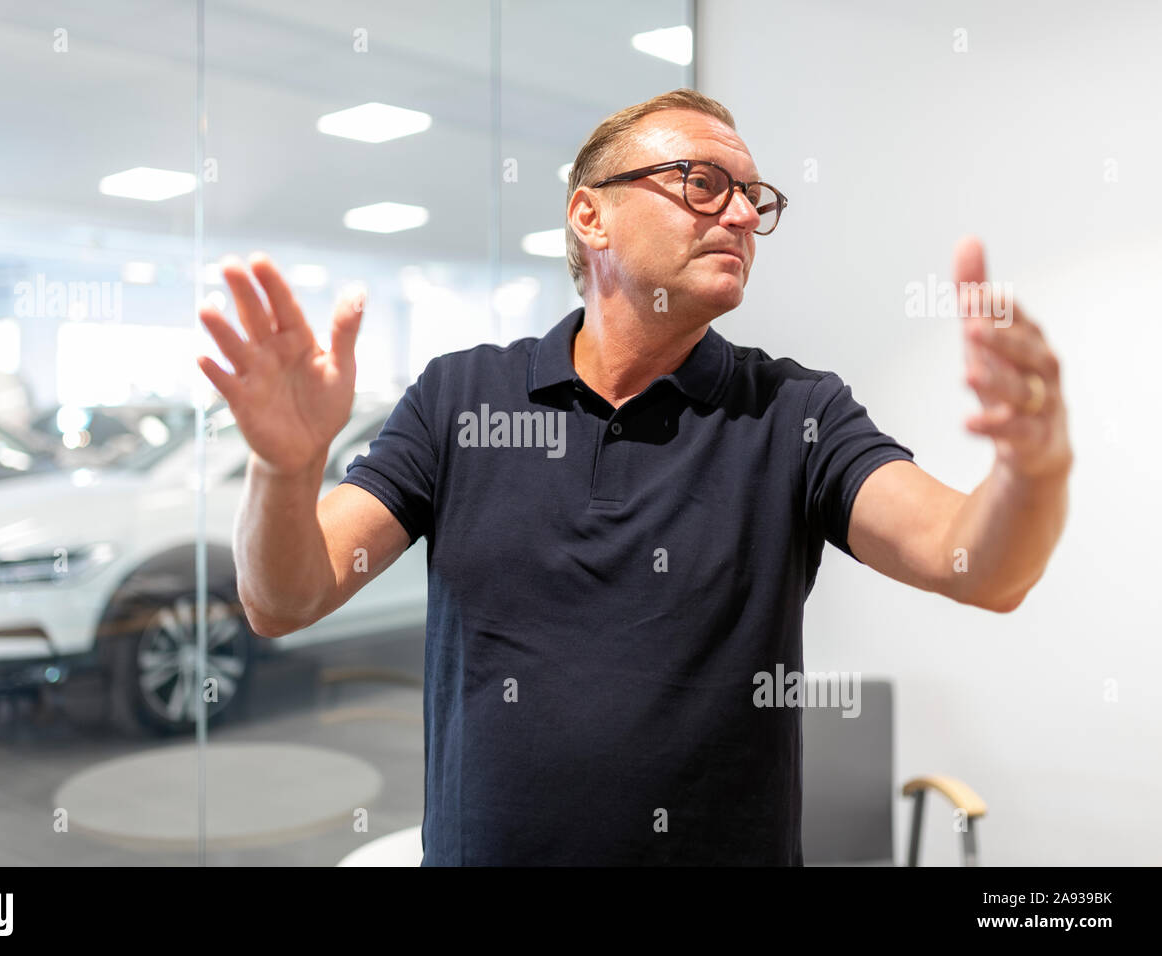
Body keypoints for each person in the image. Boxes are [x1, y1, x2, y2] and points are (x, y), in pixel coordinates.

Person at [196, 88, 1071, 865]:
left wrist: (1034, 470)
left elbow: (979, 565)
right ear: (590, 216)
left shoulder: (794, 412)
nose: (737, 216)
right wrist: (285, 467)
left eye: (754, 199)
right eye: (702, 184)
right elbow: (286, 598)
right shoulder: (461, 396)